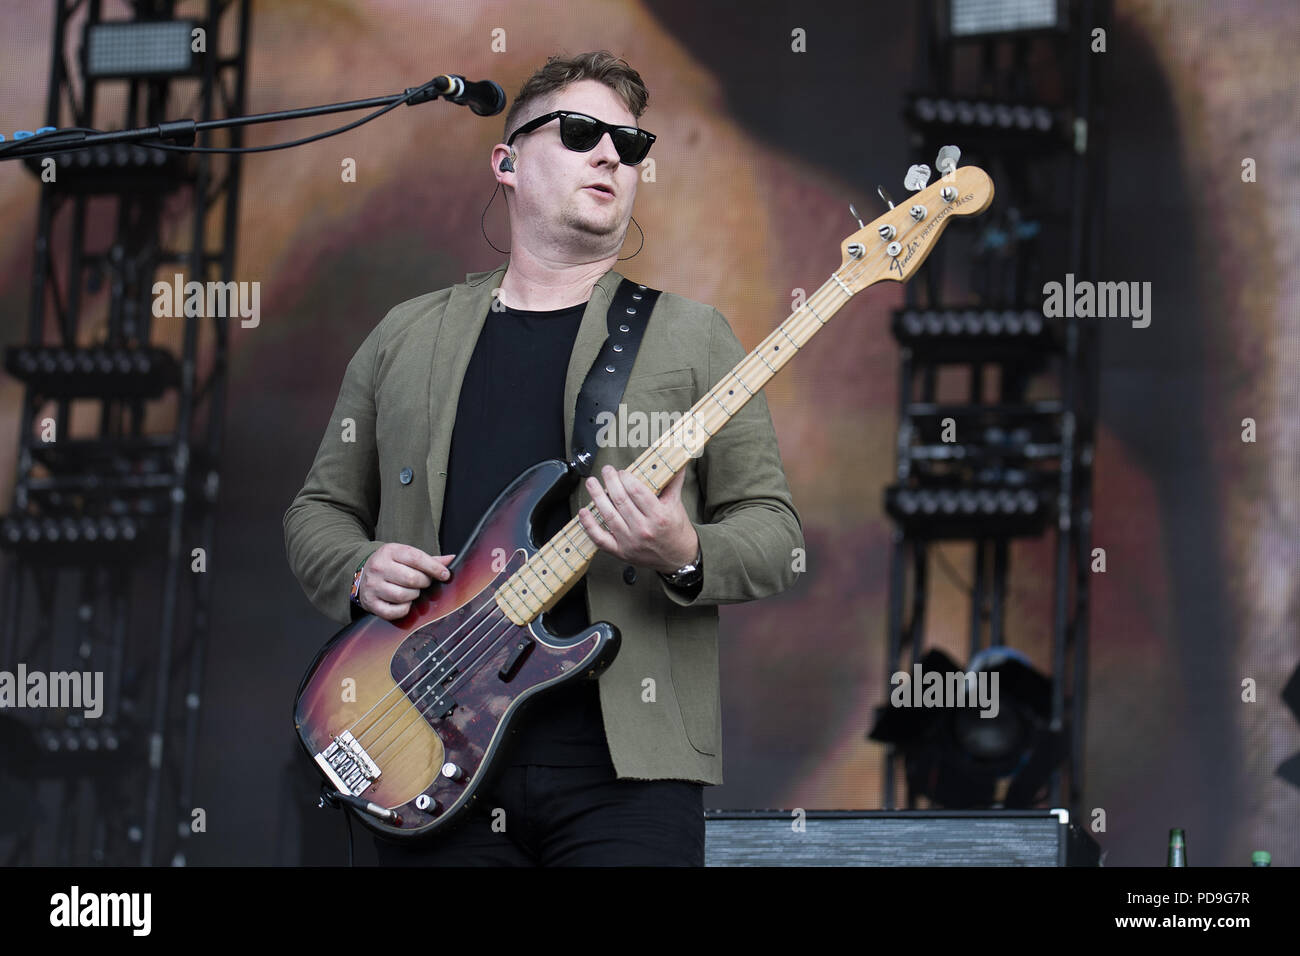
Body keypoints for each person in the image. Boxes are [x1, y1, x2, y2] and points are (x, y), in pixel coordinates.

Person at [283, 50, 803, 866]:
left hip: (626, 771)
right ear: (507, 162)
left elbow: (774, 532)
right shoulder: (406, 336)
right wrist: (358, 569)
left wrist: (686, 552)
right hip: (426, 745)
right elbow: (319, 510)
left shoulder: (692, 335)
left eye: (631, 146)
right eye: (582, 132)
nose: (611, 156)